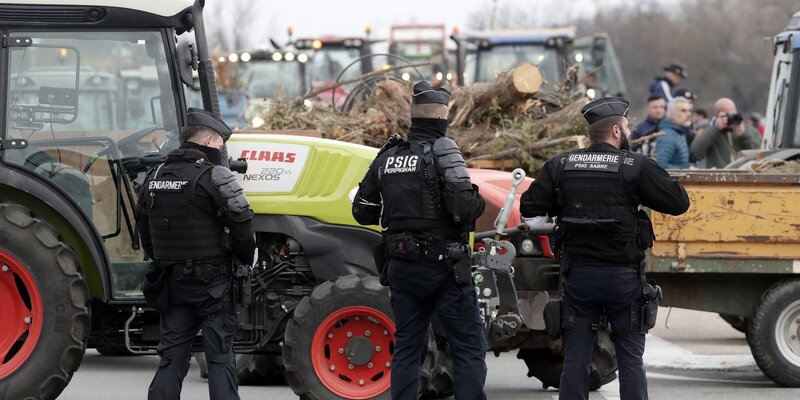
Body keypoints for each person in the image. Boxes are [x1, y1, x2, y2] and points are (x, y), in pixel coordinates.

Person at [519, 96, 690, 400]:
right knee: (631, 361)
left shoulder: (562, 164)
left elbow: (529, 205)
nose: (628, 133)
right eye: (626, 127)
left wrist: (563, 201)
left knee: (575, 361)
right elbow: (679, 203)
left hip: (579, 279)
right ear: (615, 131)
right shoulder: (634, 166)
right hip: (623, 280)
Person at [352, 81, 487, 400]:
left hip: (401, 266)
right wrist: (477, 203)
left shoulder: (388, 155)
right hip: (445, 268)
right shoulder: (444, 149)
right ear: (443, 116)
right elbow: (463, 205)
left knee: (407, 351)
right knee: (468, 346)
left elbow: (362, 210)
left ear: (414, 116)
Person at [137, 108, 256, 400]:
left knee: (171, 359)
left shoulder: (154, 176)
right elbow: (242, 227)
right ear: (210, 140)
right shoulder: (215, 176)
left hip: (172, 283)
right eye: (219, 143)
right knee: (219, 358)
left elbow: (145, 232)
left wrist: (165, 259)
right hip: (213, 286)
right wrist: (242, 261)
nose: (220, 150)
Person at [690, 97, 761, 168]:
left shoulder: (749, 130)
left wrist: (743, 135)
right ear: (717, 115)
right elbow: (695, 152)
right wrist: (715, 129)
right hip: (719, 177)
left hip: (745, 176)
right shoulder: (708, 130)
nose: (731, 118)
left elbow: (760, 153)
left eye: (734, 114)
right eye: (728, 115)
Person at [654, 97, 693, 169]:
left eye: (689, 110)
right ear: (671, 114)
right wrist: (686, 170)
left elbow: (681, 163)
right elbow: (661, 166)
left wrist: (690, 167)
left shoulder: (679, 132)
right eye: (683, 111)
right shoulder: (666, 136)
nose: (688, 114)